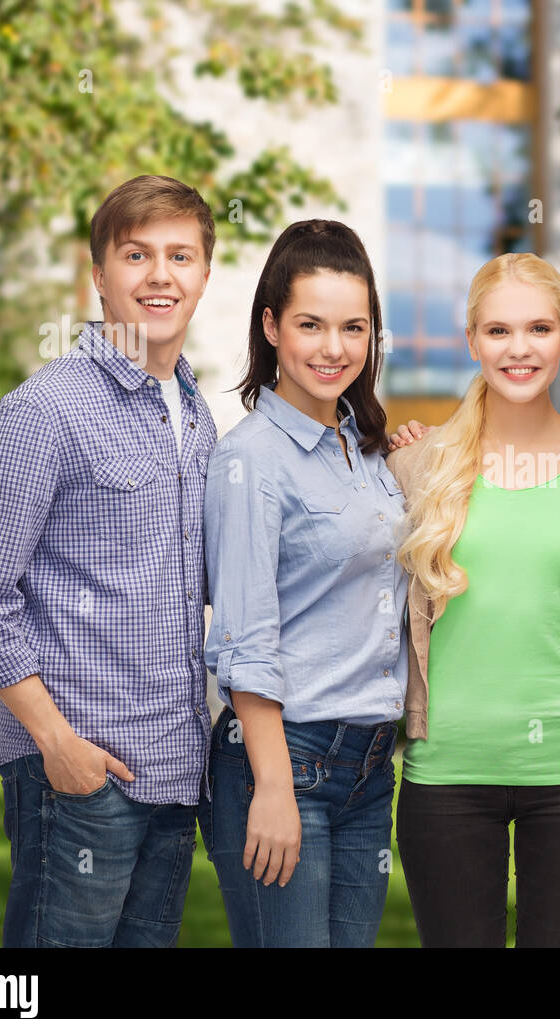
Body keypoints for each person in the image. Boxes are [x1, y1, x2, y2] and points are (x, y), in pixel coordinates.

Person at [0, 174, 218, 947]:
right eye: (136, 255)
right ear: (98, 275)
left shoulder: (196, 416)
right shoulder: (44, 411)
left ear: (202, 275)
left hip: (173, 774)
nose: (160, 275)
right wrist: (57, 746)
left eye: (180, 255)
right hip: (77, 775)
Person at [385, 253, 560, 947]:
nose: (519, 349)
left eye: (538, 329)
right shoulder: (415, 467)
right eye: (498, 331)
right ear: (472, 341)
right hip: (447, 777)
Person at [198, 219, 405, 947]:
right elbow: (245, 637)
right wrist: (275, 788)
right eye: (310, 324)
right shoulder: (251, 459)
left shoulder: (368, 447)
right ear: (271, 326)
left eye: (354, 327)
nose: (333, 347)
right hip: (285, 760)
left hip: (370, 768)